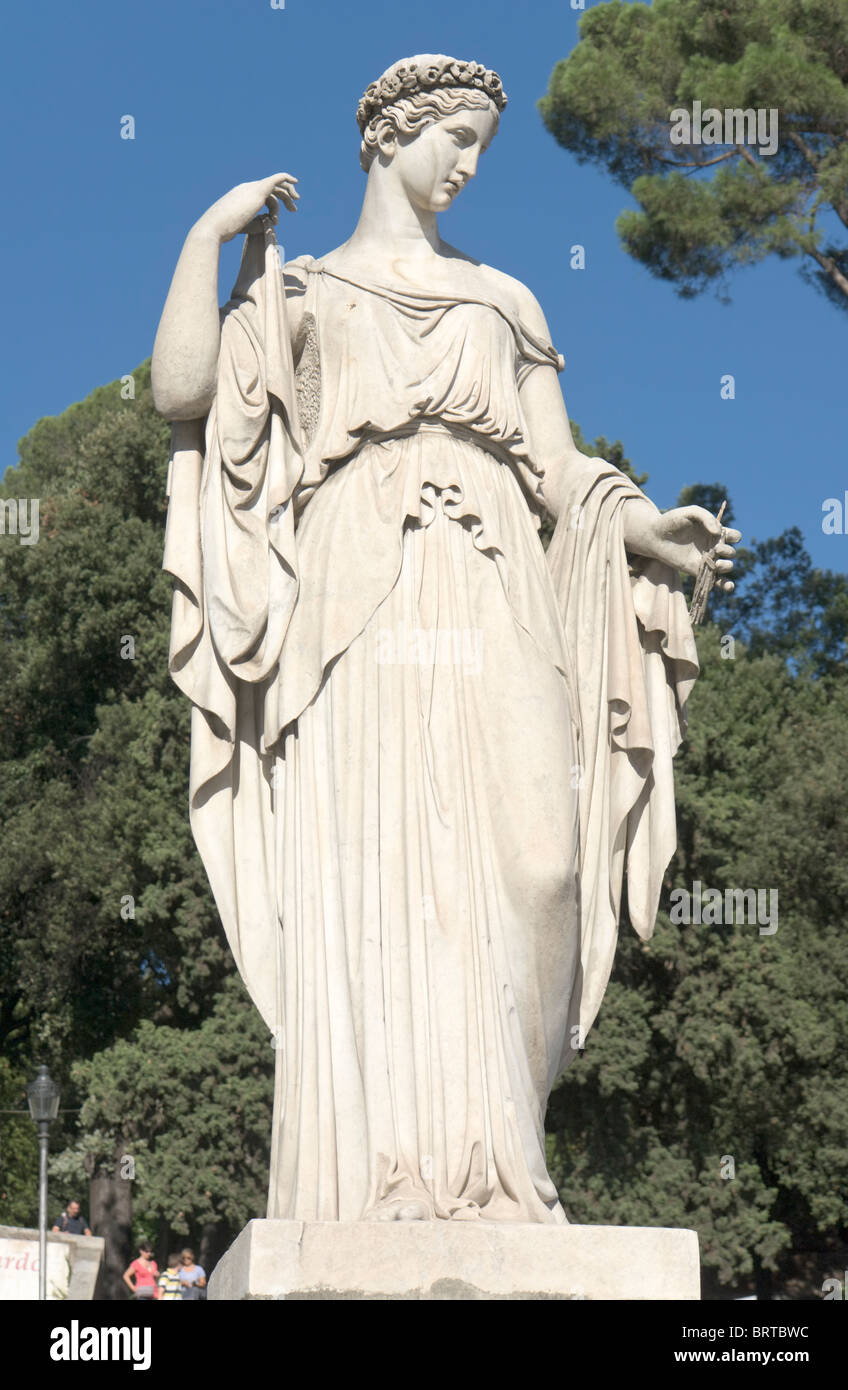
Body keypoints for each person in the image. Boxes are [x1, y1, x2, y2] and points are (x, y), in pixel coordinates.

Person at [153, 53, 739, 1224]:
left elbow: (559, 468)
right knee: (375, 873)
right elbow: (183, 396)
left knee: (540, 866)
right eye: (454, 140)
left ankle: (499, 1163)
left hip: (497, 583)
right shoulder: (301, 292)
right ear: (387, 136)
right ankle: (382, 1175)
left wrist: (646, 531)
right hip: (356, 600)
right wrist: (206, 241)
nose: (467, 167)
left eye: (482, 147)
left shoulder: (506, 301)